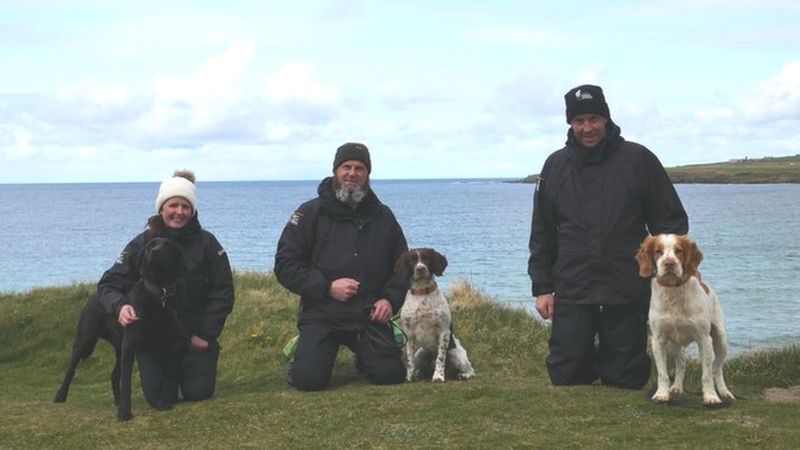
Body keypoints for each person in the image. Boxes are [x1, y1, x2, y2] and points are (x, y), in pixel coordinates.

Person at [528, 85, 688, 389]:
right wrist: (543, 288)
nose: (587, 128)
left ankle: (616, 364)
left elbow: (670, 222)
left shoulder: (639, 160)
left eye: (594, 119)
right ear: (570, 124)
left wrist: (673, 270)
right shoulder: (555, 165)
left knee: (625, 379)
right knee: (566, 376)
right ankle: (583, 357)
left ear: (606, 119)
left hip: (627, 284)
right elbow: (542, 233)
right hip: (573, 285)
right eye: (579, 121)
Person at [274, 142, 408, 391]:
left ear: (367, 174)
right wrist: (327, 287)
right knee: (309, 381)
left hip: (368, 314)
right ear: (336, 170)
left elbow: (403, 267)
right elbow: (285, 265)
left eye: (359, 168)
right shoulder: (309, 212)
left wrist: (389, 300)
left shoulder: (383, 216)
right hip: (322, 313)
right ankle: (302, 355)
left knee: (390, 375)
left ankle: (366, 358)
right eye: (346, 167)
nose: (352, 173)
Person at [98, 170, 234, 406]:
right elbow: (109, 283)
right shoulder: (142, 244)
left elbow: (223, 291)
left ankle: (195, 366)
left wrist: (206, 334)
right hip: (154, 338)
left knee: (198, 392)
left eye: (185, 206)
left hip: (193, 335)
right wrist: (120, 306)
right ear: (162, 209)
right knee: (160, 398)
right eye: (173, 205)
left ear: (192, 211)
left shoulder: (208, 243)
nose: (179, 212)